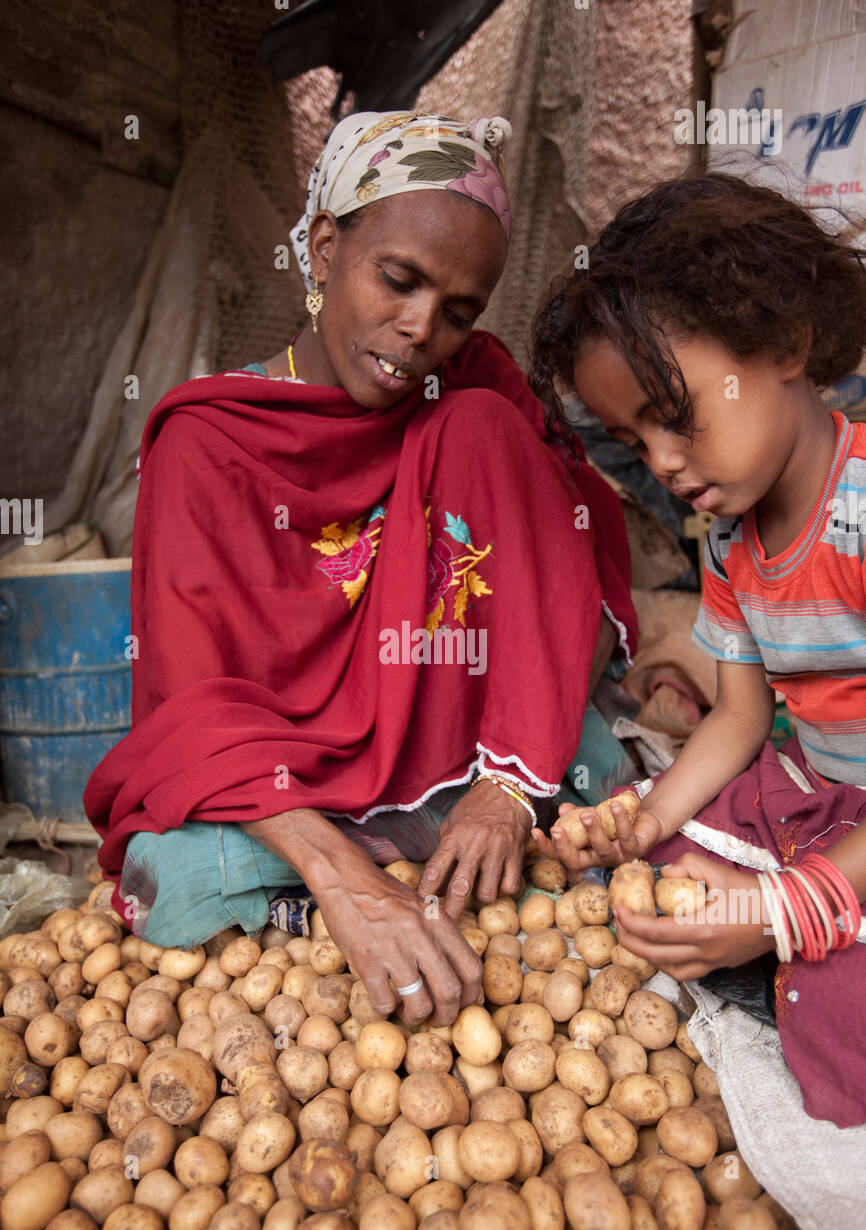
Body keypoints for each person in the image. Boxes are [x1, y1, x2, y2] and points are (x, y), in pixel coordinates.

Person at [85, 109, 637, 1028]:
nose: (422, 329)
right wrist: (344, 882)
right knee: (172, 877)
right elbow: (193, 709)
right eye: (399, 279)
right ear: (325, 245)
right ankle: (384, 878)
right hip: (287, 783)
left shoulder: (471, 398)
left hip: (461, 750)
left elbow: (562, 590)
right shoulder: (209, 443)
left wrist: (505, 794)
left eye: (459, 311)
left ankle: (457, 851)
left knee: (585, 776)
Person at [530, 170, 866, 1126]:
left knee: (841, 1011)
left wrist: (781, 908)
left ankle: (788, 930)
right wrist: (642, 823)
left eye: (674, 413)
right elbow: (742, 716)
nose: (664, 461)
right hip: (821, 795)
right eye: (634, 435)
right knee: (661, 866)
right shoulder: (728, 538)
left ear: (787, 343)